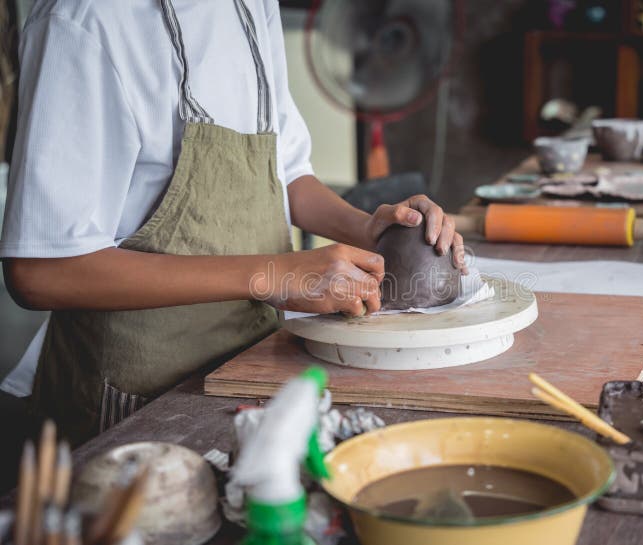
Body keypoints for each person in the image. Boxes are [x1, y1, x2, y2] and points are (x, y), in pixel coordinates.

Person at [0, 0, 465, 444]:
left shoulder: (251, 6)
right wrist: (277, 275)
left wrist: (369, 229)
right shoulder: (83, 19)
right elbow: (40, 271)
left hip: (251, 362)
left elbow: (285, 172)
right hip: (132, 400)